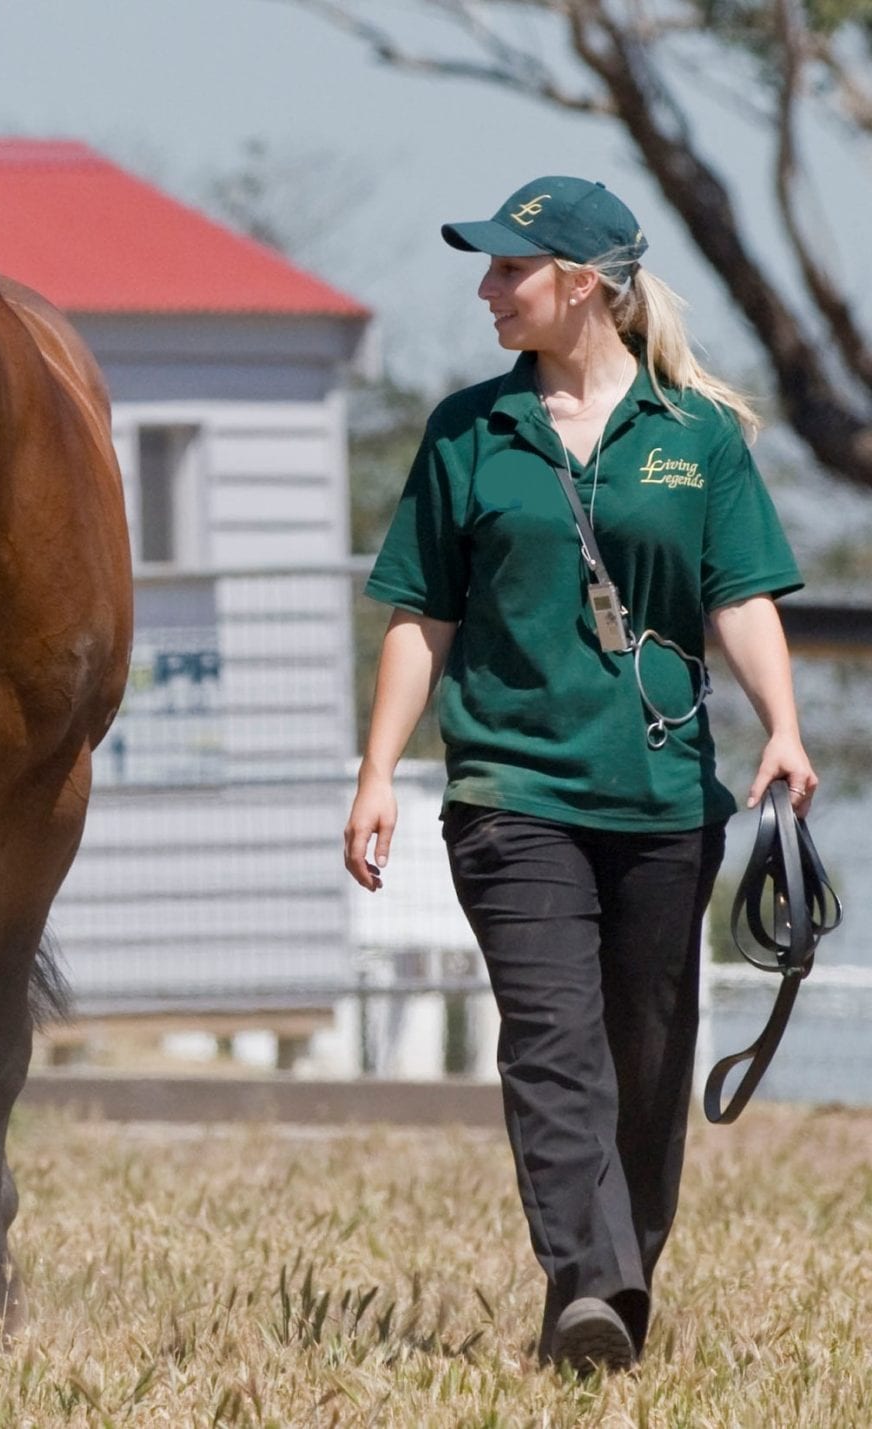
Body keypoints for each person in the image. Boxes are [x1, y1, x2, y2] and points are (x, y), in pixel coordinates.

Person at [345, 176, 815, 1372]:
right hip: (512, 793)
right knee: (553, 1042)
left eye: (512, 268)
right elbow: (420, 615)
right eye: (490, 266)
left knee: (645, 1063)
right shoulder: (469, 431)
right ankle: (589, 1282)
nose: (487, 288)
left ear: (586, 286)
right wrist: (378, 769)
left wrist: (783, 726)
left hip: (663, 799)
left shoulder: (696, 435)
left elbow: (740, 597)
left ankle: (617, 1286)